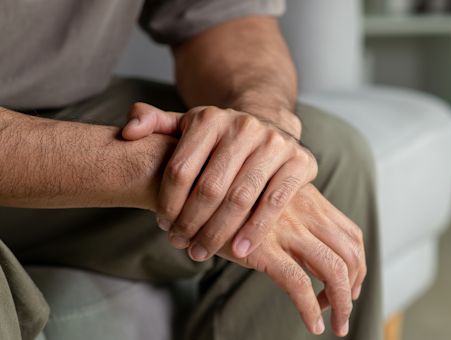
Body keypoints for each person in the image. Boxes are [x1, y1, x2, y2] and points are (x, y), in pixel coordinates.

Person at [0, 1, 383, 339]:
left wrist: (260, 132)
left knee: (314, 163)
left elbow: (227, 19)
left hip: (57, 105)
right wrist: (158, 169)